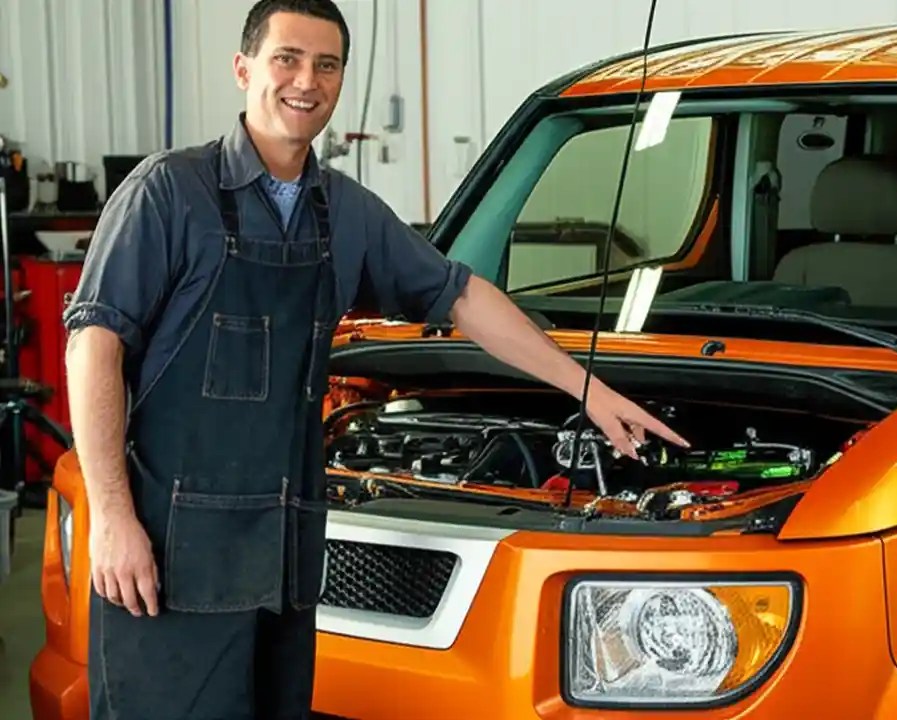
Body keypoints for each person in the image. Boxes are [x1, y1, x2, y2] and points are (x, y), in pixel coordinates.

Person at [61, 1, 687, 718]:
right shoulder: (168, 192)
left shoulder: (346, 212)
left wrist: (587, 389)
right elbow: (93, 345)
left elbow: (462, 295)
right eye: (287, 59)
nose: (307, 81)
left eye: (326, 65)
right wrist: (112, 518)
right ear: (243, 69)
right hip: (167, 562)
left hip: (284, 569)